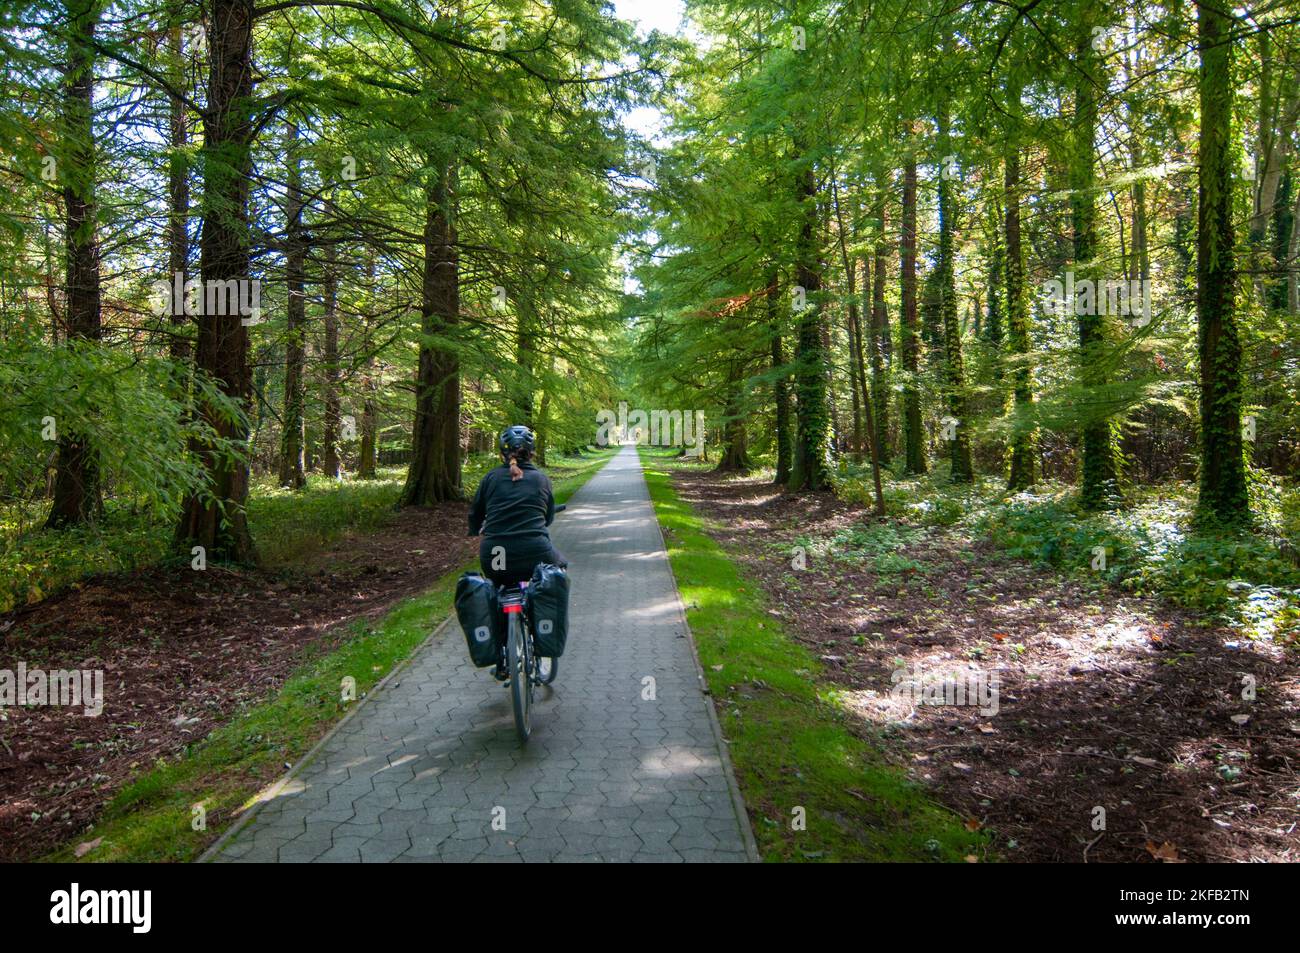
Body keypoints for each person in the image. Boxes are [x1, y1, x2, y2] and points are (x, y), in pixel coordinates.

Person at [468, 425, 567, 587]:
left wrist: (474, 530)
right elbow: (548, 519)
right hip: (534, 552)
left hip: (496, 554)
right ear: (532, 453)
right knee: (560, 567)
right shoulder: (541, 479)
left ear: (502, 453)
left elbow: (475, 513)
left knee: (496, 585)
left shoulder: (490, 478)